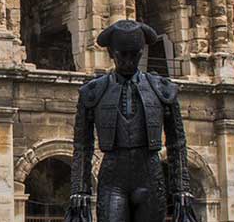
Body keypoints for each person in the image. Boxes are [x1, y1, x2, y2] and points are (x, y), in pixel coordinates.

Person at [69, 19, 193, 222]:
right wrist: (79, 189)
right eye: (122, 55)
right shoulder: (93, 92)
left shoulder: (162, 89)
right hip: (113, 175)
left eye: (134, 55)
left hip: (150, 173)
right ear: (111, 53)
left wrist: (182, 188)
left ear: (141, 53)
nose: (128, 61)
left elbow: (177, 142)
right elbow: (82, 145)